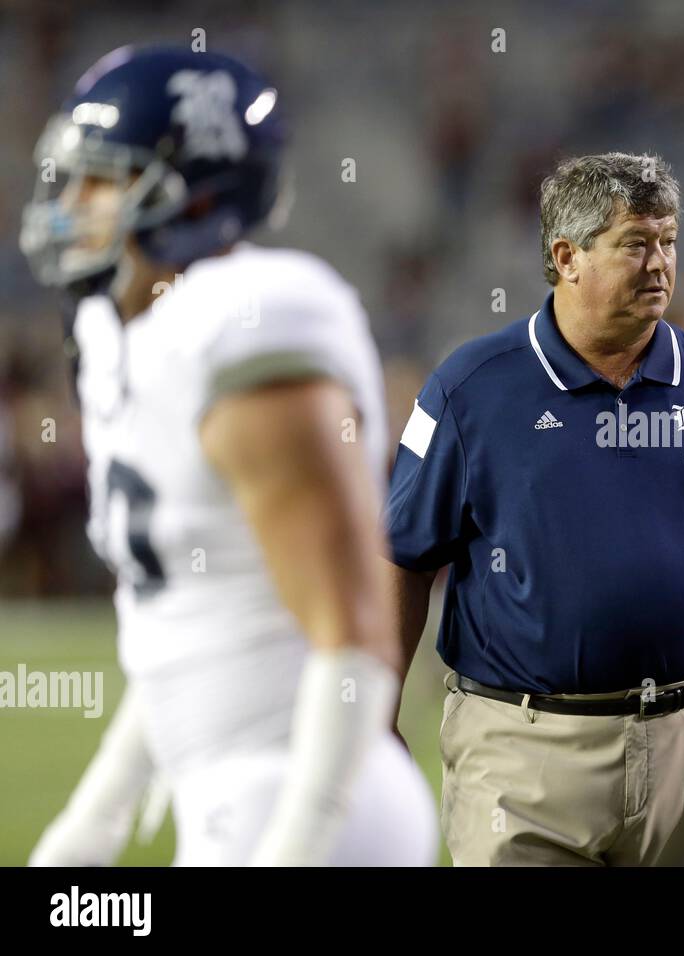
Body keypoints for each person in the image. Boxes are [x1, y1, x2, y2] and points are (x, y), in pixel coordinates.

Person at [22, 45, 435, 866]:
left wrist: (300, 836)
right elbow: (188, 638)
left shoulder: (248, 320)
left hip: (309, 798)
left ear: (188, 191)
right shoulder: (131, 339)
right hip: (233, 799)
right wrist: (93, 825)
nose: (71, 205)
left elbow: (353, 636)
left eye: (99, 179)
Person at [384, 152, 684, 865]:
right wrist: (376, 720)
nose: (659, 263)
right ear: (567, 256)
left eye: (668, 241)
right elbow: (401, 560)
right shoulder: (471, 388)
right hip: (522, 749)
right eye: (635, 243)